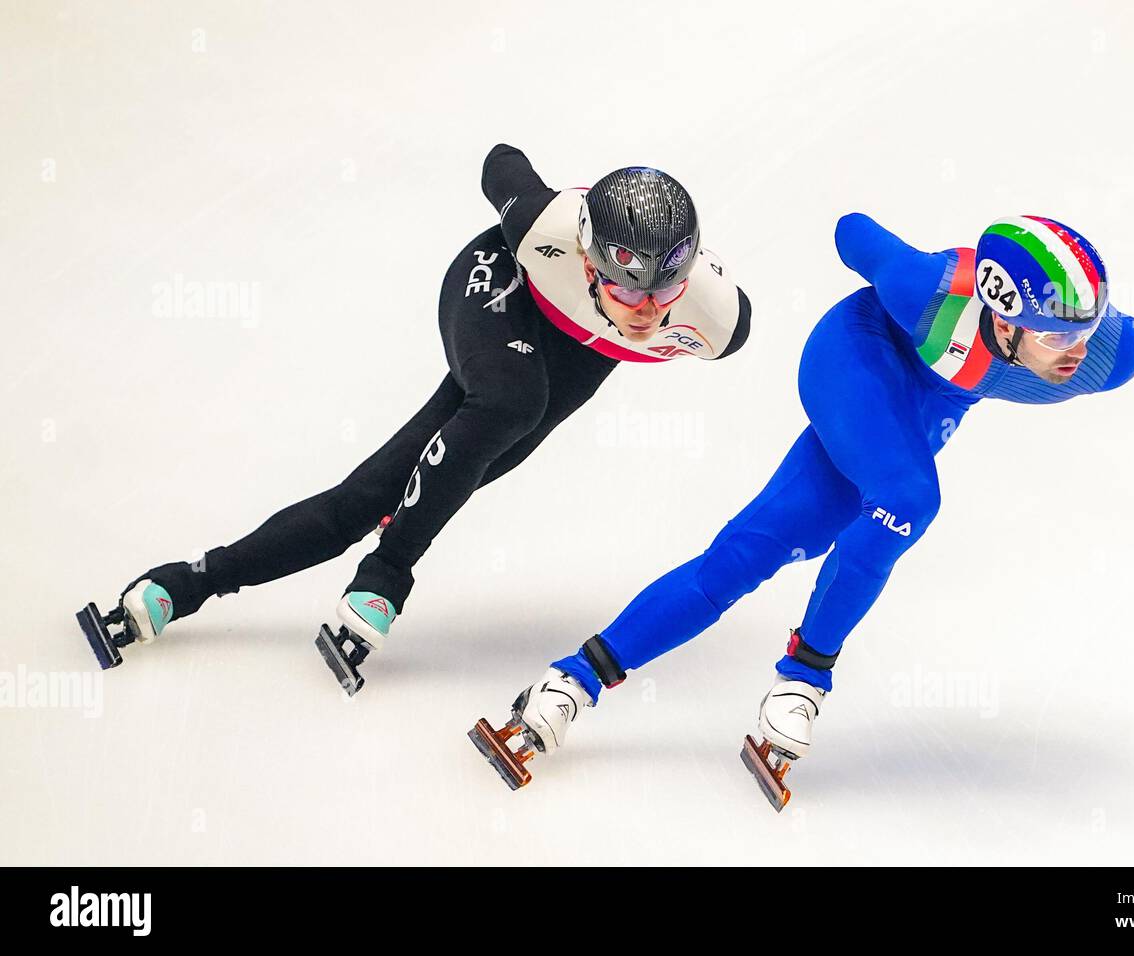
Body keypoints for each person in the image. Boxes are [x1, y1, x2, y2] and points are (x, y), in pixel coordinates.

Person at [478, 213, 1134, 805]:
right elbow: (852, 230)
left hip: (921, 410)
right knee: (909, 498)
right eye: (1055, 336)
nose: (1074, 352)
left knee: (751, 553)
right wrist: (915, 256)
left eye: (1085, 329)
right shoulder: (925, 293)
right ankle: (805, 676)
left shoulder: (1107, 354)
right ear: (1002, 319)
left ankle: (571, 680)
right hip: (855, 355)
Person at [77, 145, 751, 688]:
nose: (647, 310)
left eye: (665, 287)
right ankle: (388, 575)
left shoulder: (715, 317)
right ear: (584, 256)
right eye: (627, 286)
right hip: (502, 288)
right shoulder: (544, 228)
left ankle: (191, 581)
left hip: (575, 357)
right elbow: (501, 160)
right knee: (513, 403)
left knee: (380, 494)